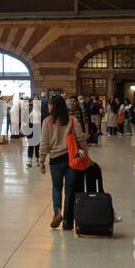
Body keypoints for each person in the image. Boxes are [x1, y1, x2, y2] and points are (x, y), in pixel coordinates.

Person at [39, 93, 87, 231]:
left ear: (54, 106)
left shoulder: (47, 122)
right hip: (71, 159)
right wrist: (86, 155)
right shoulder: (72, 120)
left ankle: (57, 211)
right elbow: (81, 138)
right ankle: (67, 221)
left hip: (55, 160)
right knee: (70, 190)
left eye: (50, 103)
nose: (48, 106)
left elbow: (44, 143)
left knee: (56, 187)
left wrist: (42, 161)